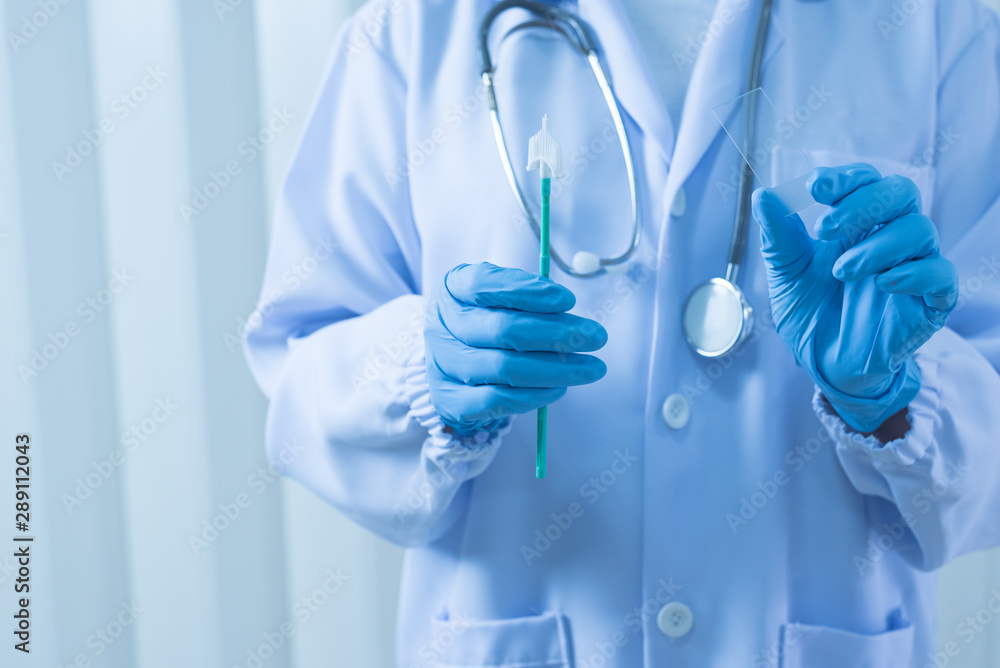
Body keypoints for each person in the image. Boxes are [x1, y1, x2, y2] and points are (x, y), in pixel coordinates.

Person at [243, 0, 1000, 665]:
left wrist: (891, 401)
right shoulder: (411, 30)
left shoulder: (937, 28)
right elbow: (300, 371)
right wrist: (422, 378)